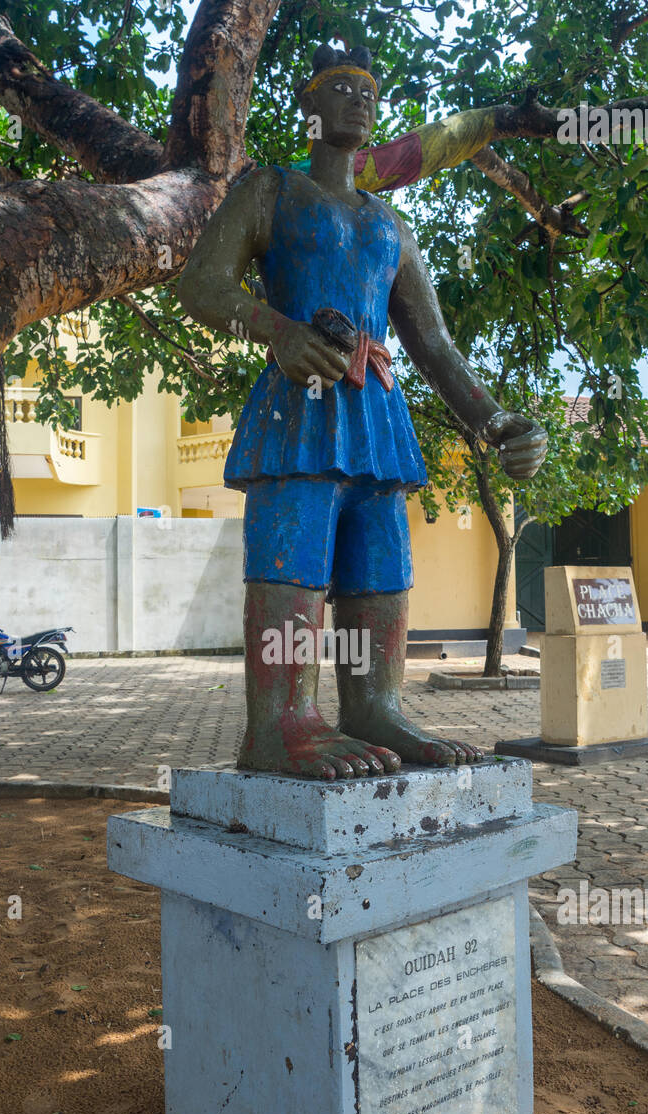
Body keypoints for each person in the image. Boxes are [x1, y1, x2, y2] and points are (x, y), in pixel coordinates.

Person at [178, 44, 547, 780]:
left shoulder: (392, 226)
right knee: (292, 564)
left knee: (380, 570)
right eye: (340, 88)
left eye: (368, 92)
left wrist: (495, 418)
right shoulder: (268, 191)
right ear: (306, 109)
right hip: (298, 413)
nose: (358, 101)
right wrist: (276, 330)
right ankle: (279, 724)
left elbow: (433, 344)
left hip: (377, 418)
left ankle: (376, 707)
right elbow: (200, 286)